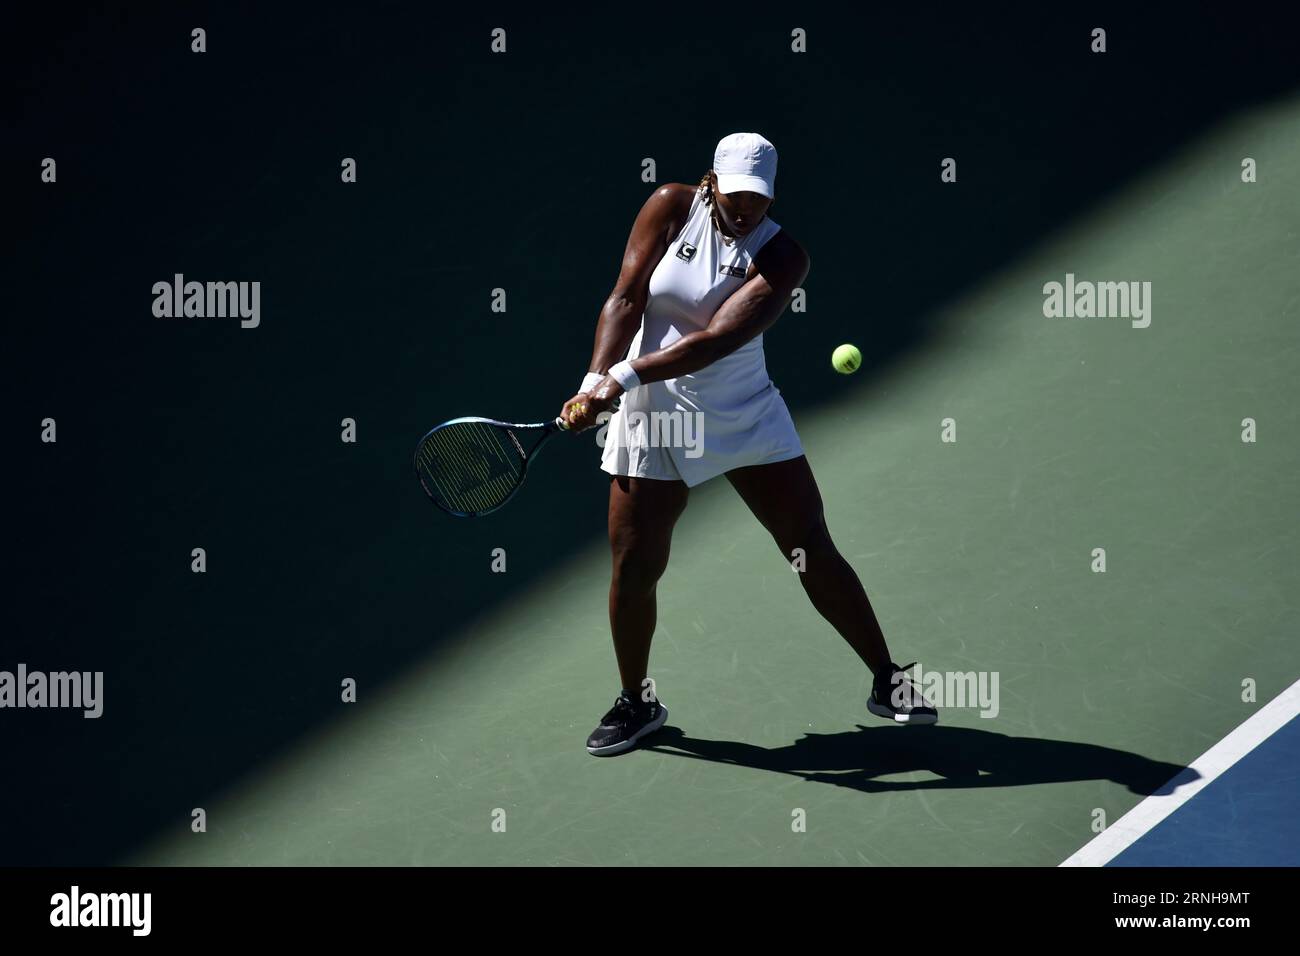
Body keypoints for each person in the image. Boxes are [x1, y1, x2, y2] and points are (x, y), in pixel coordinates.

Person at [561, 133, 937, 756]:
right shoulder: (669, 206)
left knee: (808, 545)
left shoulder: (784, 256)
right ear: (711, 182)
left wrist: (620, 378)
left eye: (758, 201)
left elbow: (713, 340)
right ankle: (637, 702)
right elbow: (626, 297)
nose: (745, 212)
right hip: (654, 415)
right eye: (736, 198)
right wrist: (593, 379)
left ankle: (886, 679)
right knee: (635, 563)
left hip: (740, 410)